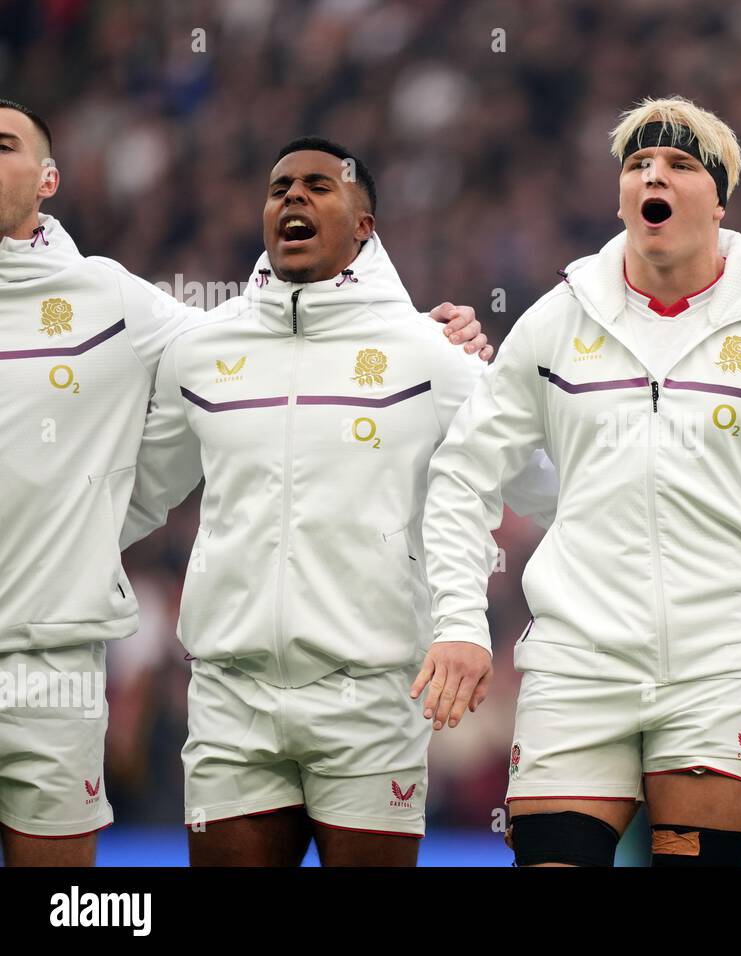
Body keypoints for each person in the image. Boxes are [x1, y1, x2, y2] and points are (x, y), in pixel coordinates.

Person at [417, 96, 741, 867]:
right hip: (575, 664)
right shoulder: (557, 321)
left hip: (716, 668)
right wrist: (458, 622)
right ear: (622, 194)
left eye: (679, 164)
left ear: (719, 200)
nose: (653, 175)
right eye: (637, 165)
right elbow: (463, 473)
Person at [118, 137, 544, 866]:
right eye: (280, 186)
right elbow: (132, 497)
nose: (293, 197)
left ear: (363, 225)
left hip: (371, 696)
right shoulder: (204, 350)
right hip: (230, 696)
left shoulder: (429, 353)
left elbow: (539, 477)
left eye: (319, 185)